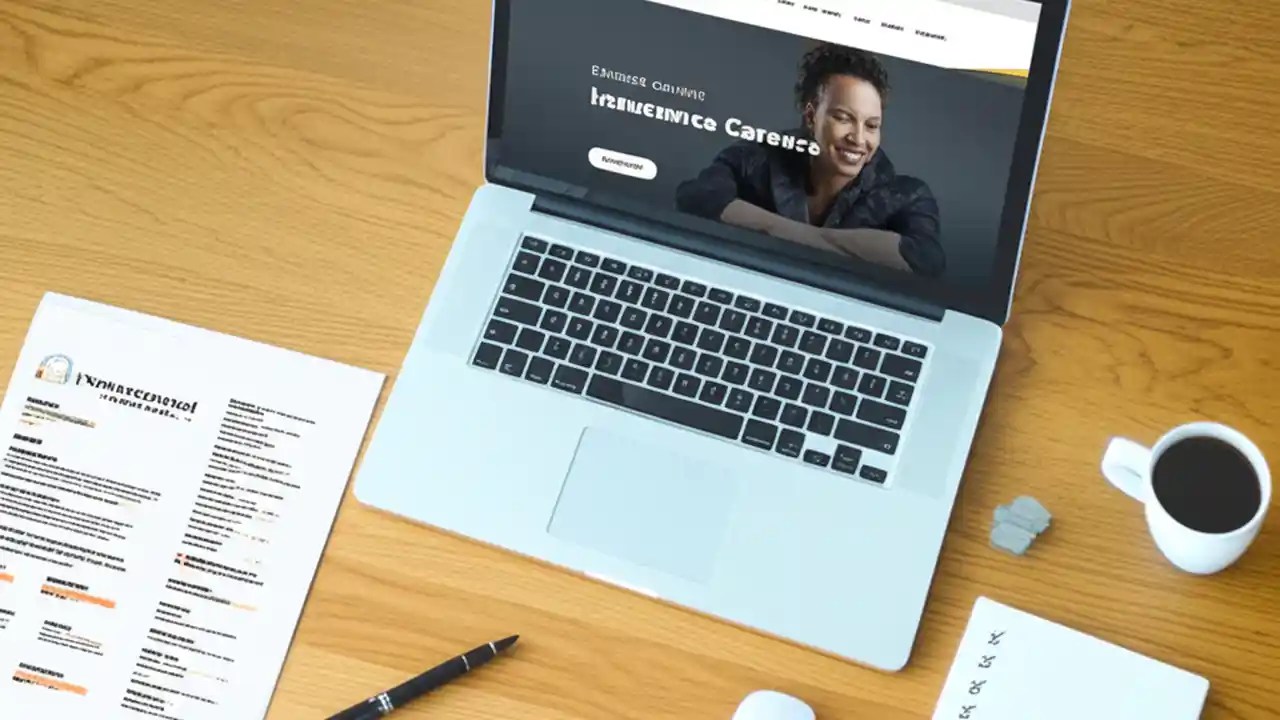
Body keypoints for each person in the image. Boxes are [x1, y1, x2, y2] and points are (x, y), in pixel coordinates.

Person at [675, 44, 945, 277]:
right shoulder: (753, 159)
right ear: (811, 116)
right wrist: (846, 248)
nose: (859, 138)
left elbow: (924, 259)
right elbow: (697, 197)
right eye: (843, 118)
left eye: (872, 125)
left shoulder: (908, 195)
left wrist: (777, 232)